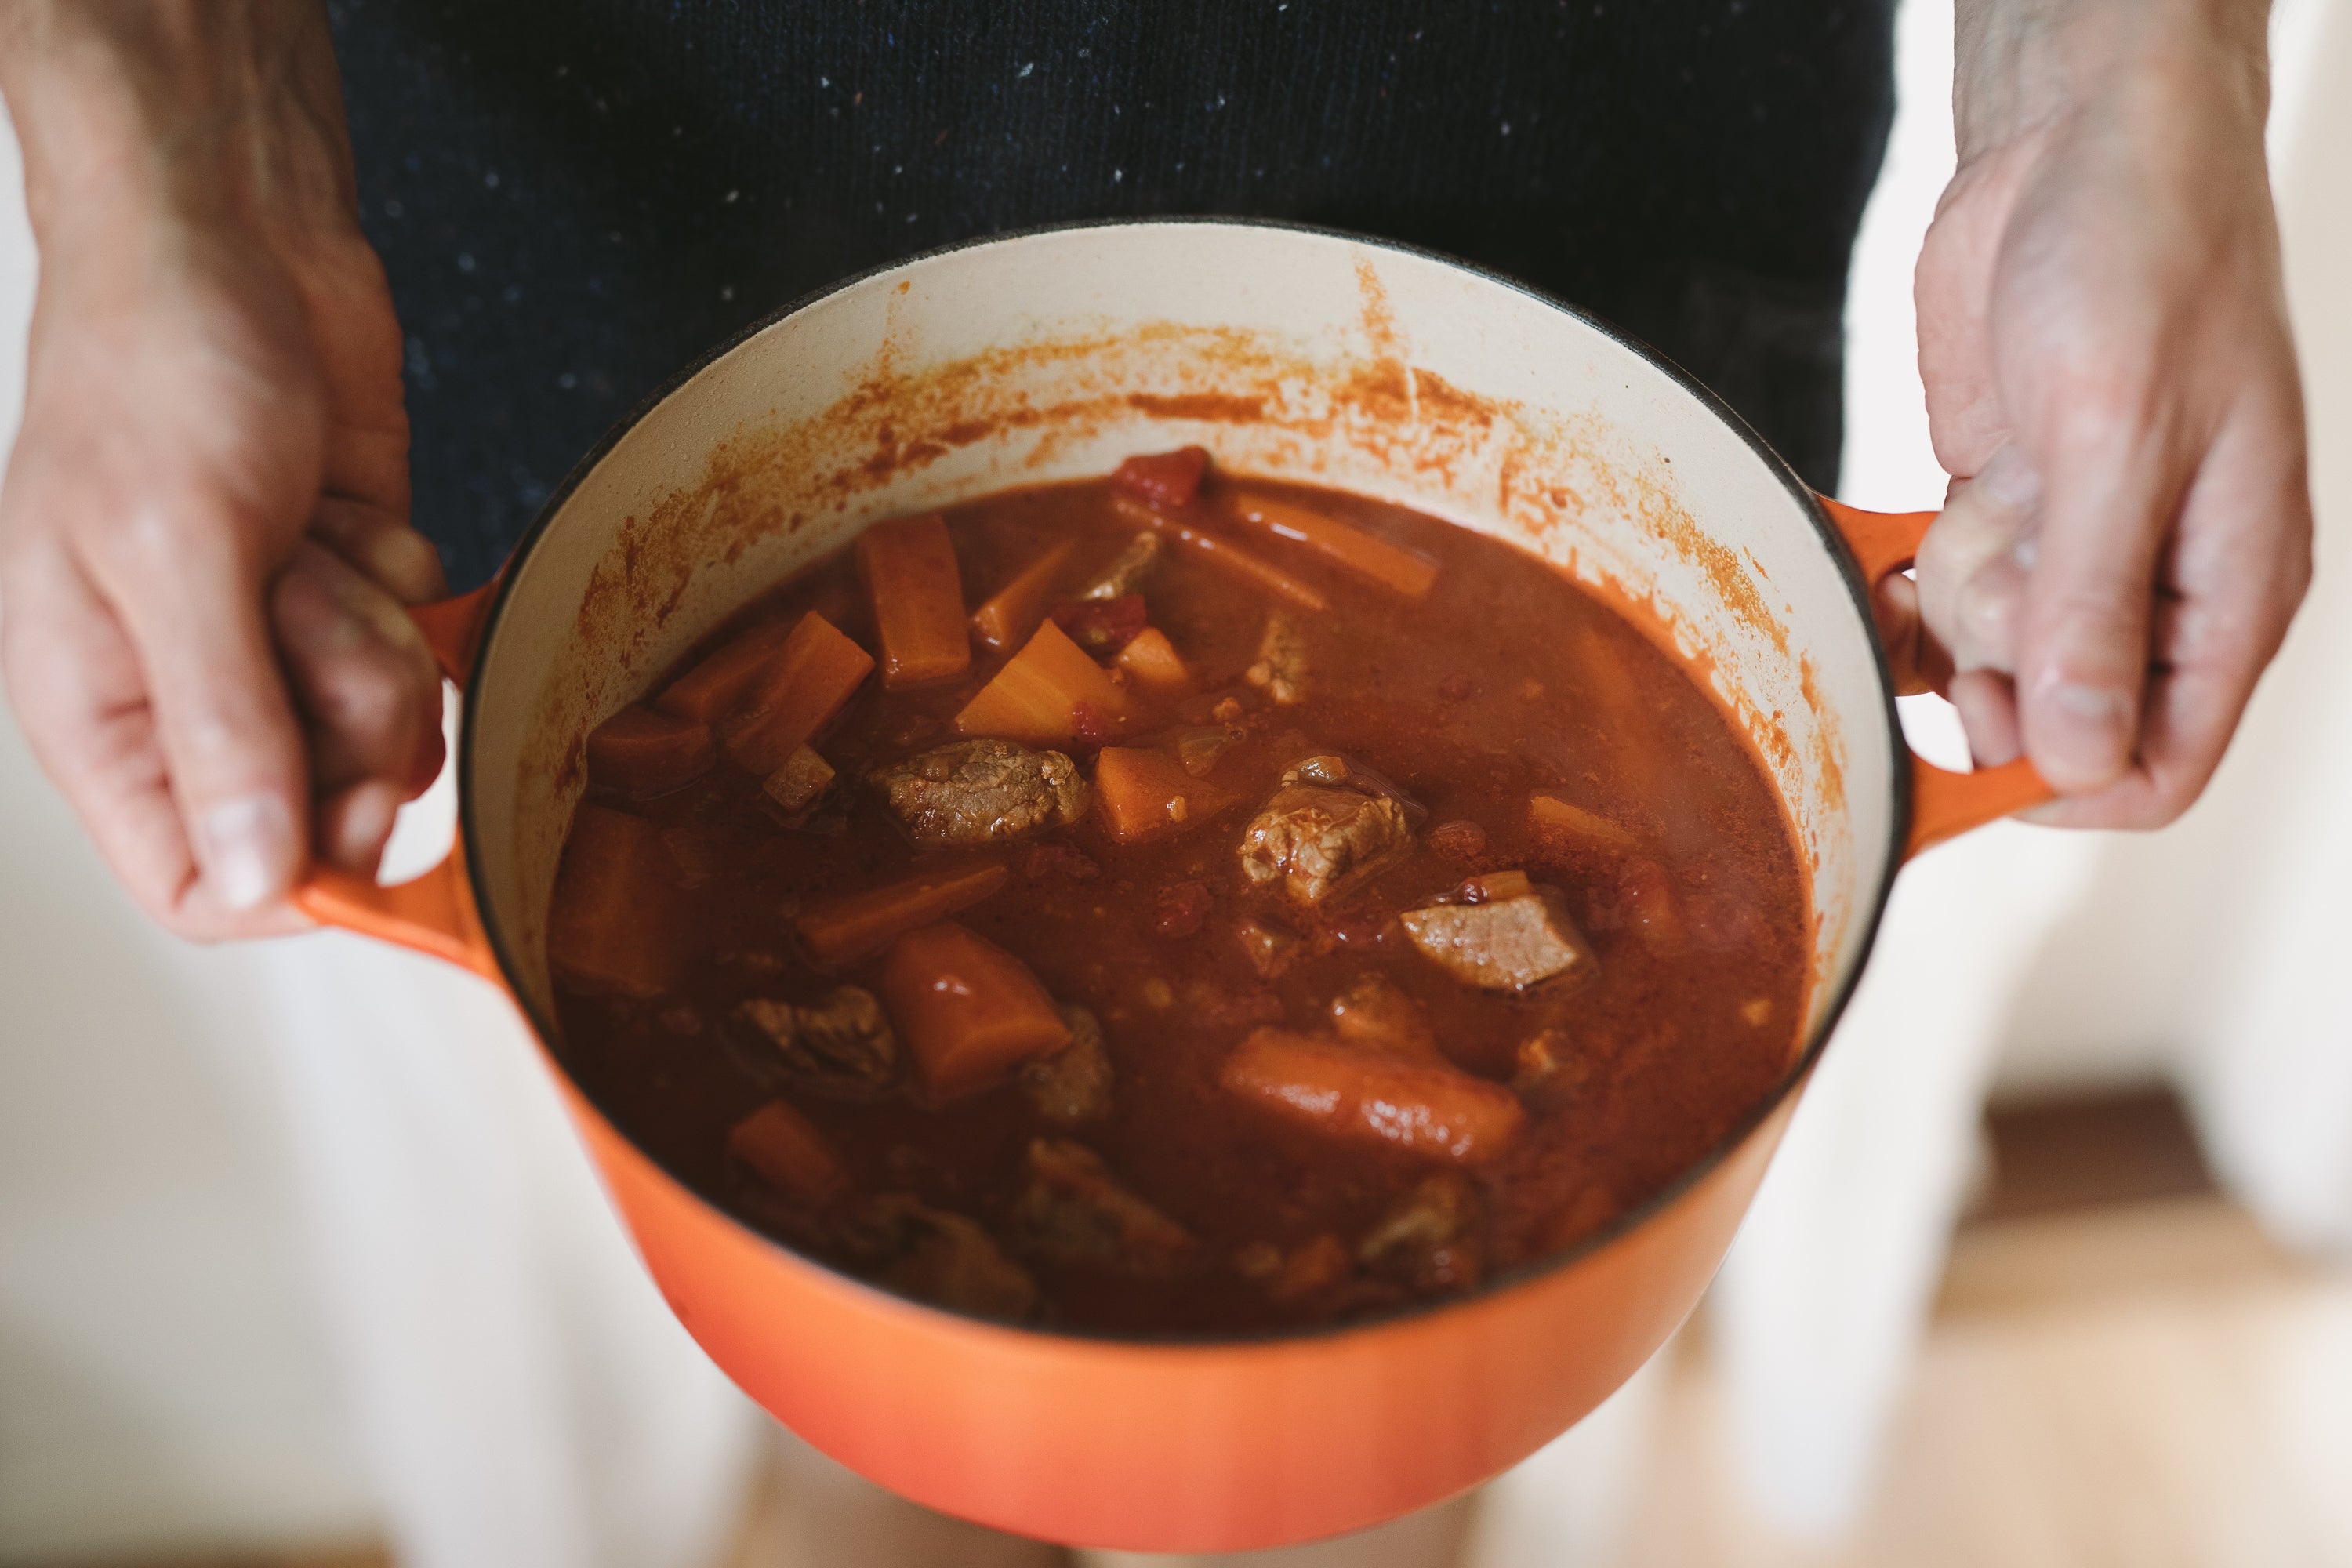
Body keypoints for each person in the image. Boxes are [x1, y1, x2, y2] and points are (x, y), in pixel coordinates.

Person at [0, 2, 2311, 1563]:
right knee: (719, 1460)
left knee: (1352, 1490)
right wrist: (169, 163)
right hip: (494, 375)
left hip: (1572, 167)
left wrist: (2119, 95)